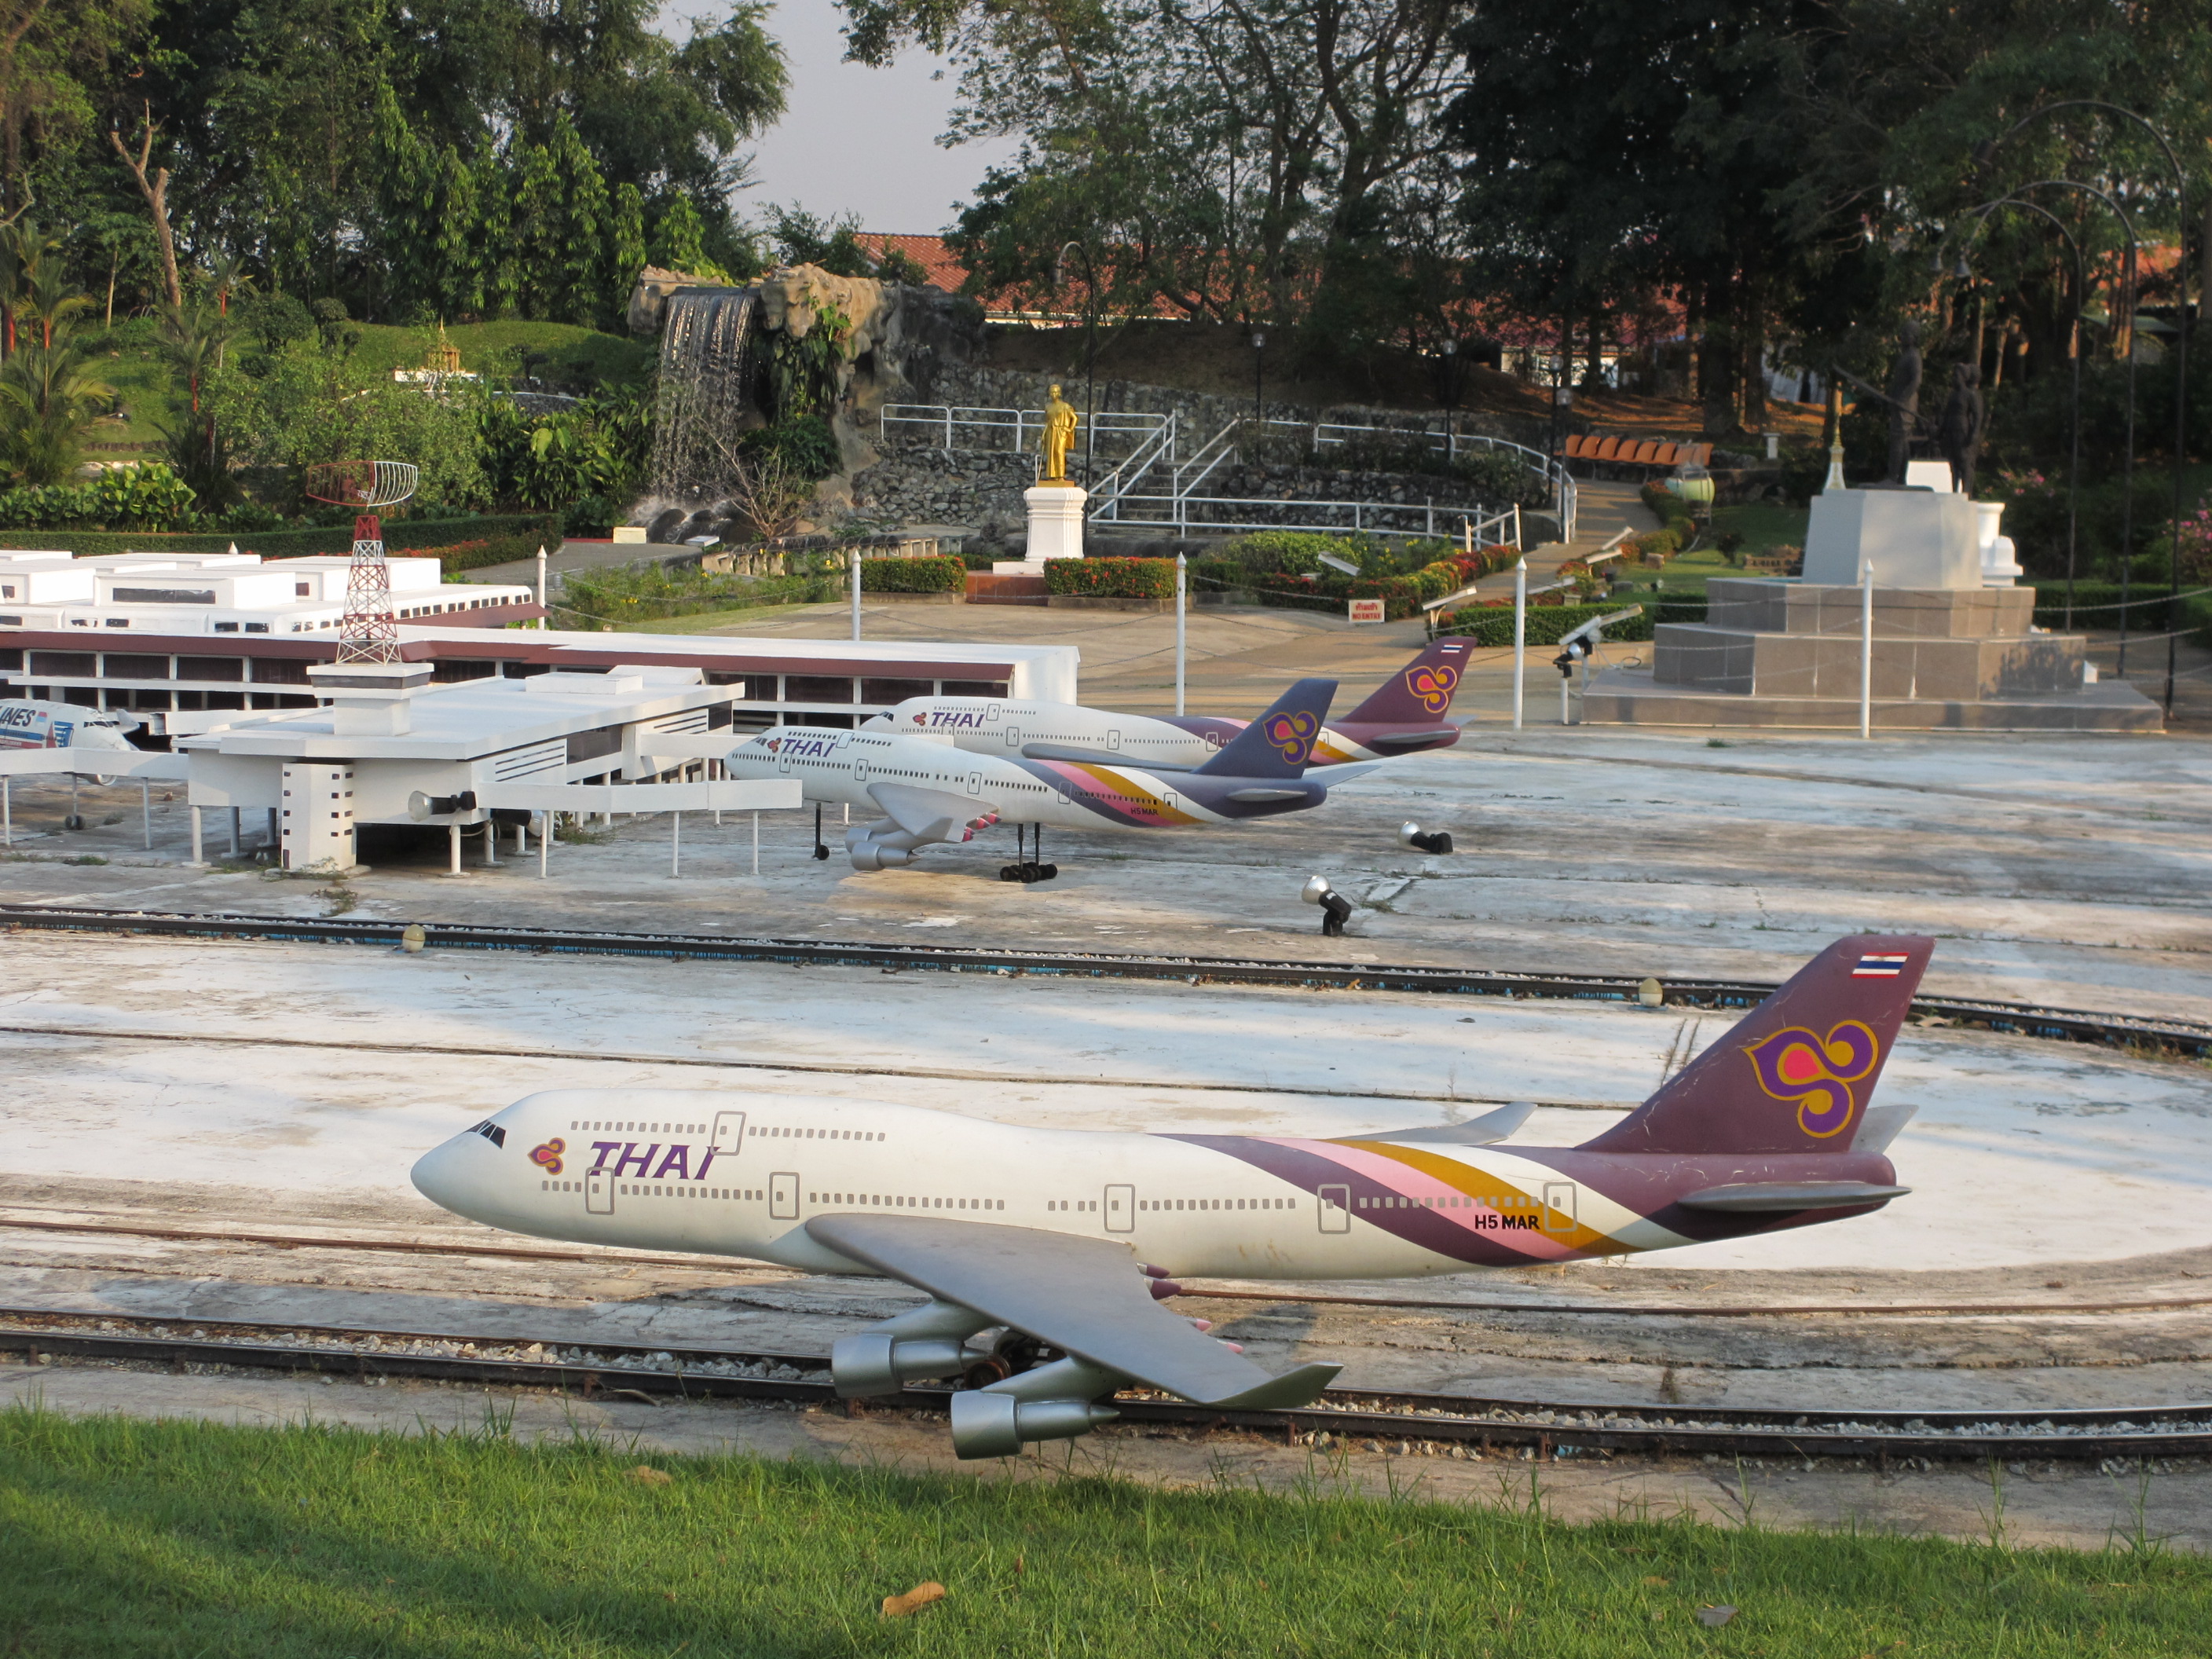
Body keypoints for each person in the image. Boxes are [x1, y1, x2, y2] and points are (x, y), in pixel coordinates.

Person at [1039, 383, 1079, 483]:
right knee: (1051, 453)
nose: (1054, 394)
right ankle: (1052, 475)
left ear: (1059, 393)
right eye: (1052, 392)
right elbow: (1047, 422)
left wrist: (1069, 429)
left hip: (1061, 431)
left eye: (1056, 392)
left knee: (1059, 452)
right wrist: (1044, 434)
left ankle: (1061, 475)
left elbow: (1074, 418)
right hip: (1051, 431)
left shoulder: (1065, 406)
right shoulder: (1048, 407)